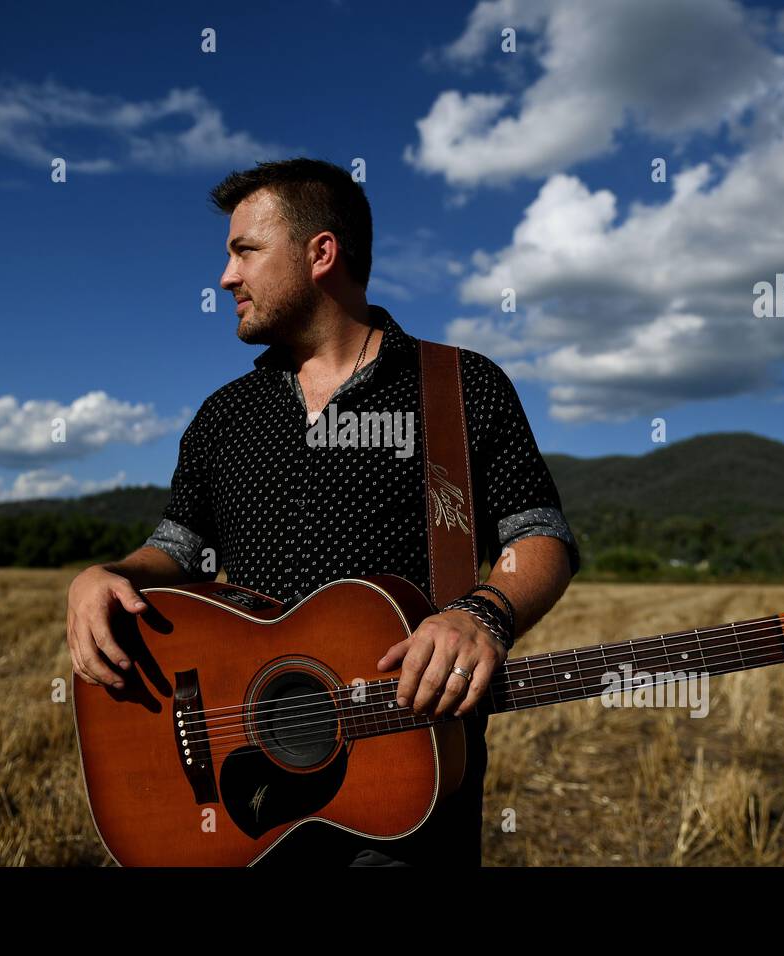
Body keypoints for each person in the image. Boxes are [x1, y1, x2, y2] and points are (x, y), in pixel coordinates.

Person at [65, 157, 578, 866]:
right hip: (239, 798)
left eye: (245, 251)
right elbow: (176, 550)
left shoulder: (462, 387)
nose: (225, 278)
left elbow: (540, 536)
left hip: (403, 785)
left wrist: (483, 613)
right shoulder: (223, 416)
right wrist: (106, 573)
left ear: (320, 253)